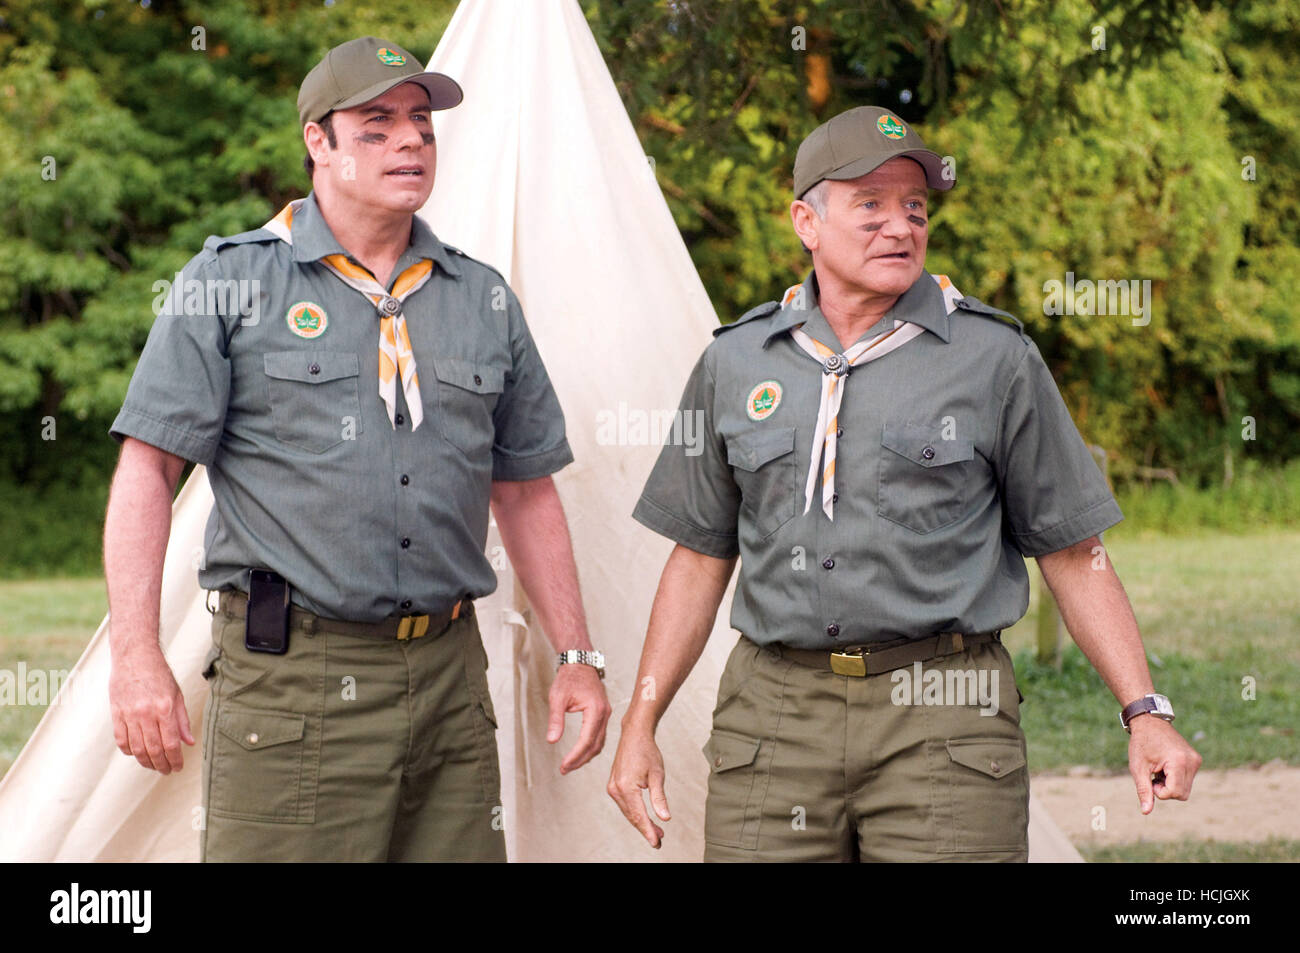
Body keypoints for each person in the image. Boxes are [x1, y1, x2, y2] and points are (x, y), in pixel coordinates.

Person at [607, 105, 1201, 862]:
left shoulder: (992, 358)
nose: (900, 226)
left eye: (914, 208)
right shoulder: (738, 361)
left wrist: (1143, 709)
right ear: (806, 222)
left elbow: (1072, 552)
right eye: (871, 205)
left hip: (944, 717)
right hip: (775, 718)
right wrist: (639, 724)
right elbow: (697, 557)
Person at [104, 36, 610, 862]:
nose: (410, 141)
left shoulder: (480, 297)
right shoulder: (231, 281)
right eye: (376, 125)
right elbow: (146, 471)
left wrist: (578, 655)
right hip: (294, 681)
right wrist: (134, 656)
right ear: (318, 140)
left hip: (450, 683)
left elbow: (523, 490)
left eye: (421, 125)